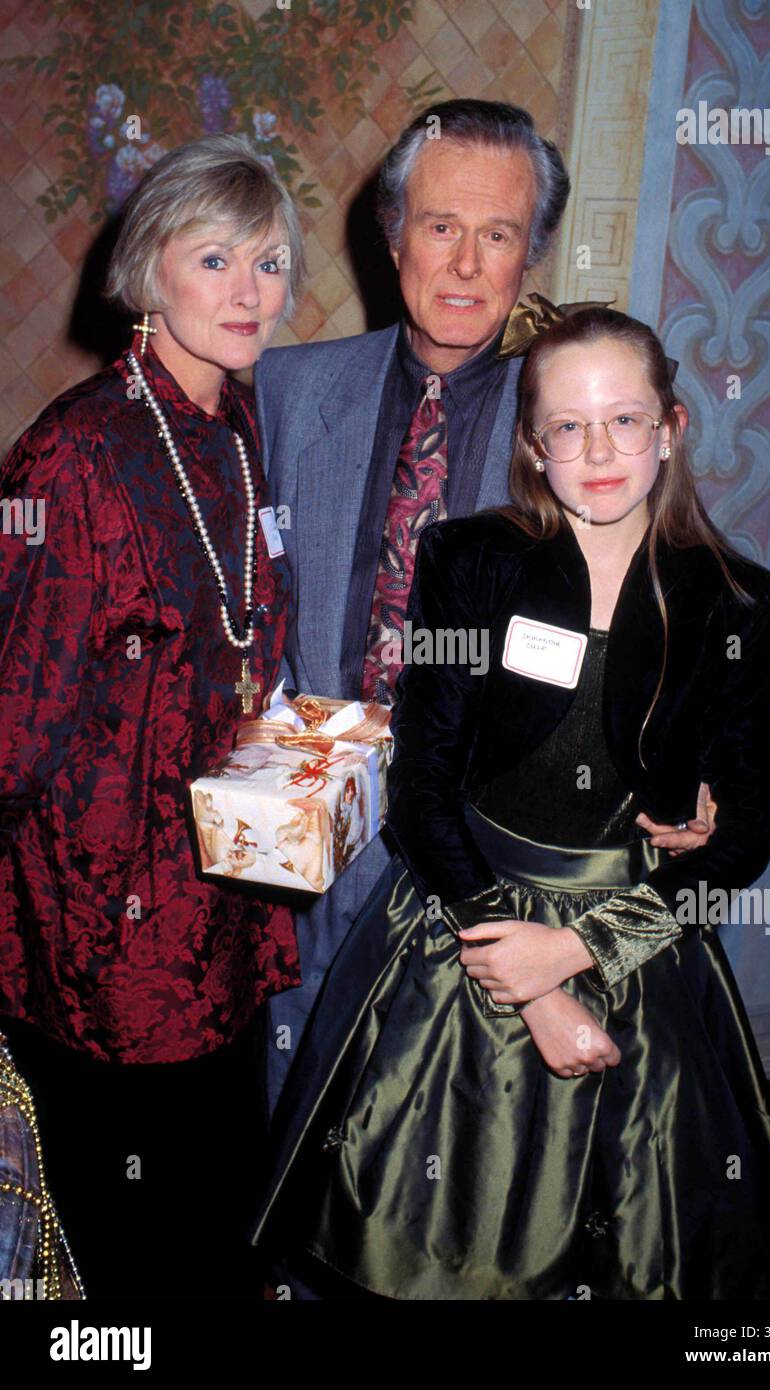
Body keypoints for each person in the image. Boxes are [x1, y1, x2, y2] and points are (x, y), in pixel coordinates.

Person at [251, 304, 770, 1300]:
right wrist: (535, 983)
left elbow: (748, 832)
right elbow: (420, 787)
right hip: (466, 919)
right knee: (414, 1243)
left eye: (626, 420)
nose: (600, 450)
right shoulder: (471, 565)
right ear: (532, 445)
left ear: (671, 428)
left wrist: (587, 949)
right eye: (569, 426)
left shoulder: (738, 601)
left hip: (636, 939)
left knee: (634, 1246)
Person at [256, 98, 715, 1117]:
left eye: (498, 234)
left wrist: (702, 771)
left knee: (452, 1145)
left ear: (530, 254)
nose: (466, 265)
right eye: (440, 226)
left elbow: (668, 608)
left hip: (488, 851)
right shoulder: (286, 389)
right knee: (294, 1109)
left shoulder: (574, 417)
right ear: (391, 235)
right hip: (305, 831)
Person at [0, 133, 305, 1300]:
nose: (249, 292)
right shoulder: (72, 456)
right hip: (99, 931)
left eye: (271, 263)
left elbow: (232, 640)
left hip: (216, 893)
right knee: (120, 1239)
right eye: (216, 256)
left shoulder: (235, 423)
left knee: (207, 1209)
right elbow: (13, 729)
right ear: (150, 270)